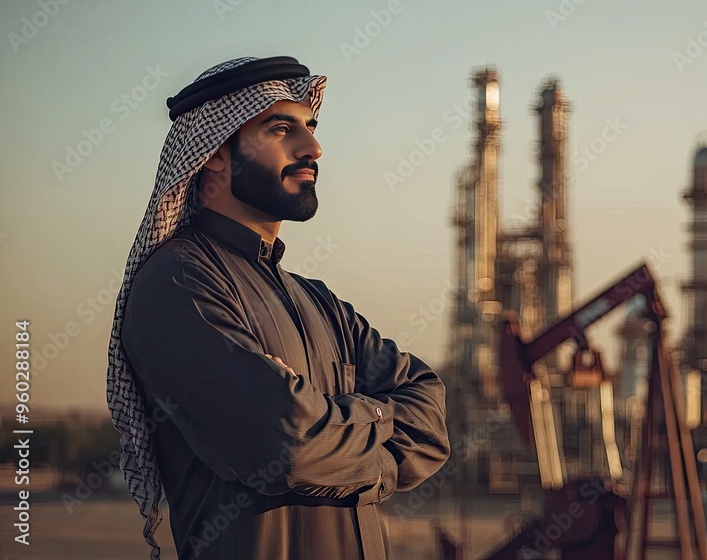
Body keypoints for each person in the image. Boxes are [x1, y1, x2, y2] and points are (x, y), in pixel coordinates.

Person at [106, 56, 450, 560]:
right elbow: (285, 447)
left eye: (309, 127)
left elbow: (431, 412)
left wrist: (328, 418)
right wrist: (380, 426)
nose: (313, 147)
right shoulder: (177, 284)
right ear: (216, 151)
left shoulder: (322, 303)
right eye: (281, 128)